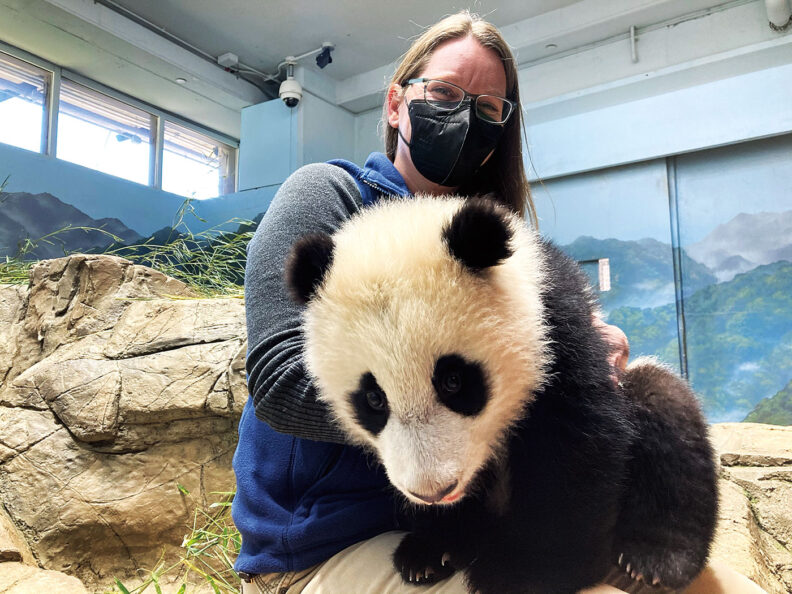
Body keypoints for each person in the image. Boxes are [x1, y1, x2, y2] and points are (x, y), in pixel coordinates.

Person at [233, 11, 766, 594]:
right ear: (394, 103)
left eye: (488, 109)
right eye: (443, 92)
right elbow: (281, 383)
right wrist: (526, 392)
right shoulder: (330, 198)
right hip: (331, 542)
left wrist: (574, 367)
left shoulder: (498, 243)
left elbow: (569, 421)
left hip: (492, 517)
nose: (463, 117)